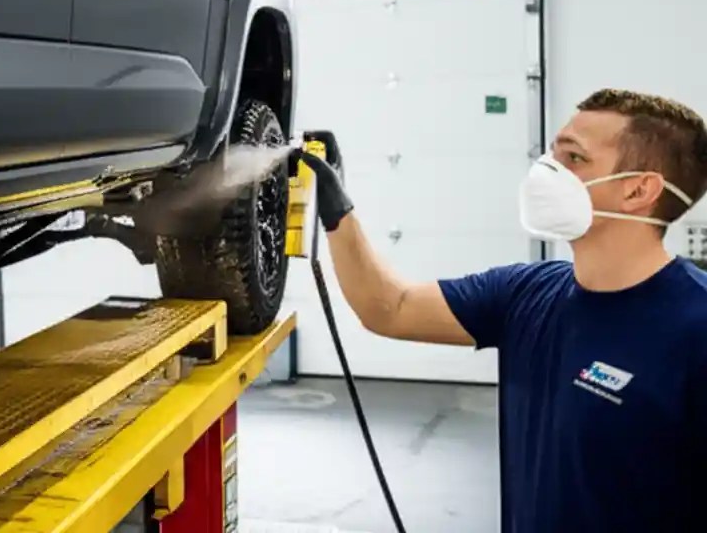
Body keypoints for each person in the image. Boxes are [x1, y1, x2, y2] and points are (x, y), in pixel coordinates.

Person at [297, 88, 707, 533]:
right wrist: (338, 211)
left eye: (573, 159)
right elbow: (390, 308)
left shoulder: (696, 326)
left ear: (638, 190)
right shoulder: (527, 291)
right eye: (552, 154)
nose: (547, 172)